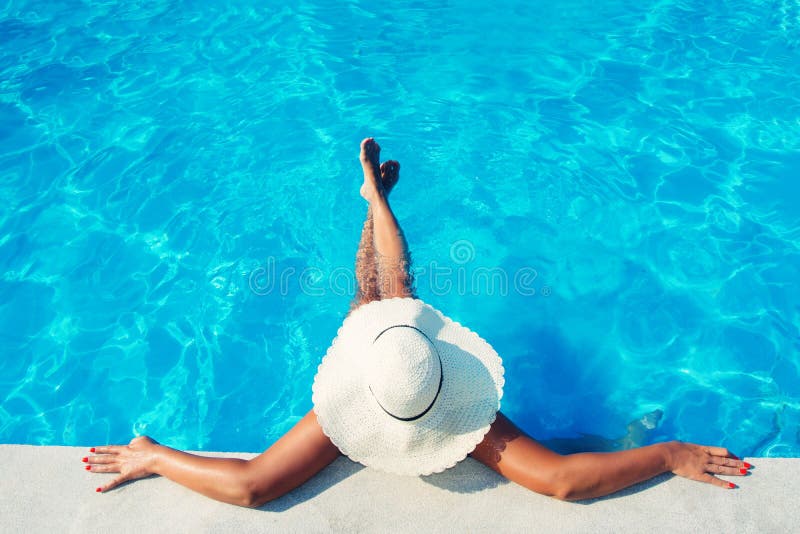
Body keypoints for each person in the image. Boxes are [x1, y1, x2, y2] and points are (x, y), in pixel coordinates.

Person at [82, 138, 752, 506]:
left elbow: (252, 486)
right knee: (382, 295)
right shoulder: (475, 426)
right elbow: (563, 481)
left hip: (386, 377)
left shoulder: (341, 420)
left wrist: (156, 457)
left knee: (376, 295)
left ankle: (373, 203)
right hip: (397, 375)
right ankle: (375, 202)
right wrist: (668, 452)